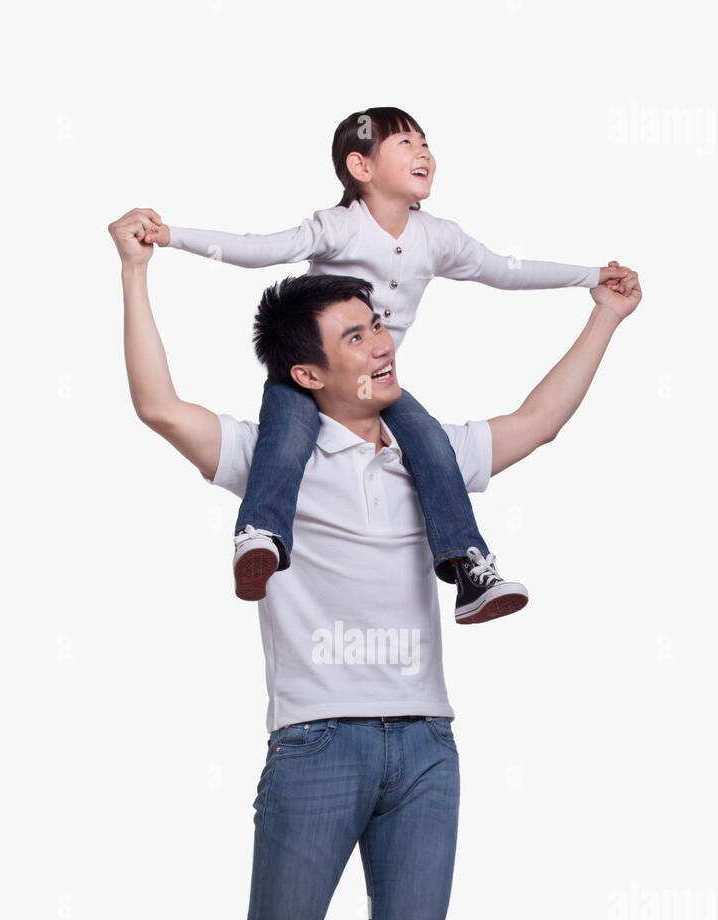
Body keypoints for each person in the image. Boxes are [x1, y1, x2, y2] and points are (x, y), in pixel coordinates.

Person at [107, 204, 641, 920]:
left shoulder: (426, 459)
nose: (380, 340)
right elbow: (159, 407)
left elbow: (535, 423)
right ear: (306, 373)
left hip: (425, 749)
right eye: (353, 334)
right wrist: (135, 273)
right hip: (317, 745)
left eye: (377, 323)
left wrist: (603, 321)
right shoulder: (273, 455)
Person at [142, 105, 631, 621]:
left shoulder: (438, 238)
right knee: (284, 441)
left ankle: (468, 567)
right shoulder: (338, 226)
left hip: (374, 386)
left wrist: (592, 275)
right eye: (405, 143)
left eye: (426, 142)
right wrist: (171, 236)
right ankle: (259, 532)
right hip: (306, 376)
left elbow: (506, 271)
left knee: (431, 446)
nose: (423, 151)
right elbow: (261, 248)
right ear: (361, 167)